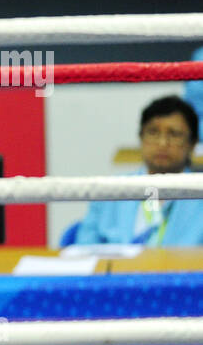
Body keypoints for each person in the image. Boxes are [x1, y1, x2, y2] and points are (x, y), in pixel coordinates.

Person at [73, 94, 203, 245]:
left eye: (174, 134)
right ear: (141, 138)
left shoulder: (199, 192)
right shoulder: (109, 191)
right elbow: (84, 248)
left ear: (192, 143)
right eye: (153, 132)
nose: (162, 143)